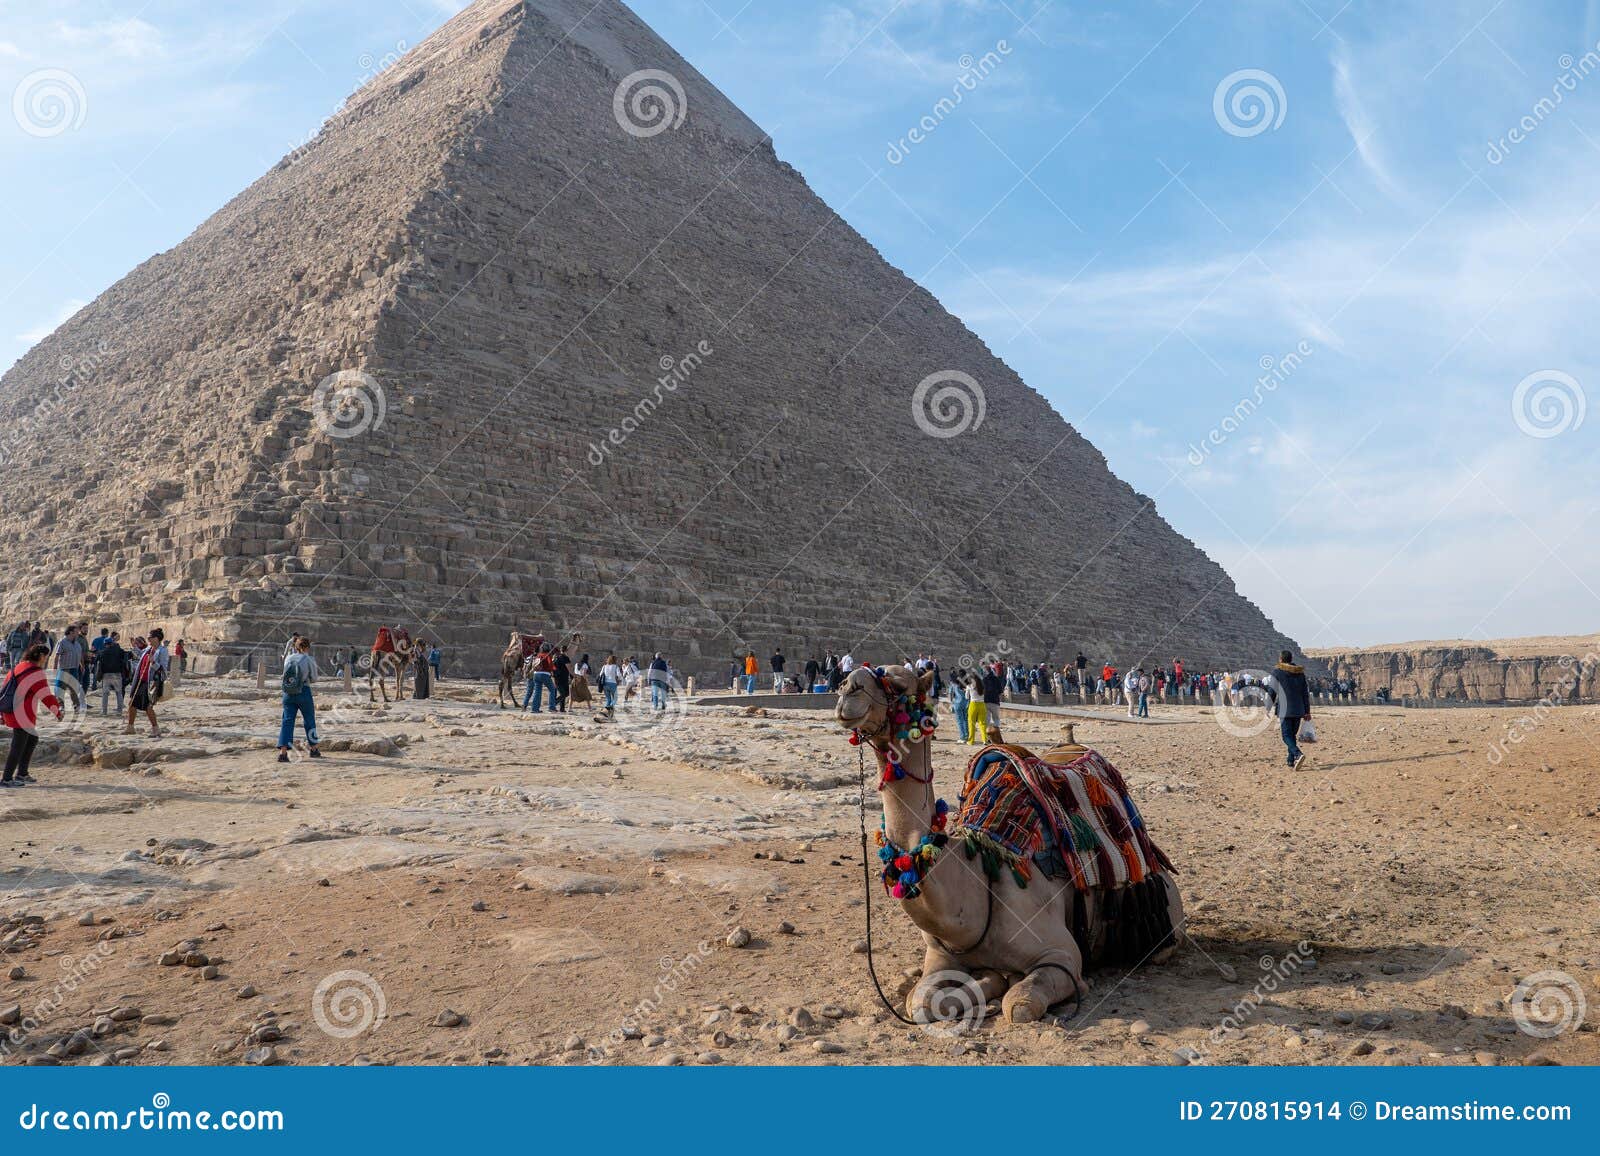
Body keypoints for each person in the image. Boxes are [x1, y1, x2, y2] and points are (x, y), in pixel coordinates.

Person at [0, 645, 62, 787]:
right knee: (18, 745)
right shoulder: (35, 672)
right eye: (46, 657)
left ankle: (22, 773)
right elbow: (45, 695)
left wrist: (3, 713)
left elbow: (5, 690)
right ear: (40, 656)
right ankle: (7, 779)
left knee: (32, 739)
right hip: (22, 714)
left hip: (12, 711)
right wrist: (58, 712)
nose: (46, 660)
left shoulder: (19, 666)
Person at [1264, 650, 1312, 771]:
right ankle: (1290, 760)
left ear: (1280, 659)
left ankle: (1297, 754)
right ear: (1291, 659)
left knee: (1286, 736)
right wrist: (1307, 711)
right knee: (1292, 735)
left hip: (1285, 709)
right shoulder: (1300, 673)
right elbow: (1305, 694)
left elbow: (1272, 691)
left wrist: (1268, 707)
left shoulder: (1277, 672)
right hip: (1299, 708)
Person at [277, 636, 321, 762]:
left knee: (287, 721)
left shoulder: (288, 658)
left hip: (288, 692)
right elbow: (314, 678)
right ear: (307, 647)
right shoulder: (309, 659)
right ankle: (313, 749)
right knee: (309, 720)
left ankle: (283, 753)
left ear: (296, 647)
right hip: (303, 691)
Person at [126, 631, 162, 737]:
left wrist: (153, 662)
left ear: (157, 638)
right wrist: (134, 646)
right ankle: (130, 727)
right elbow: (140, 655)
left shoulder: (162, 651)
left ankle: (156, 729)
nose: (149, 639)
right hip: (139, 679)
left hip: (148, 681)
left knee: (147, 706)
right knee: (132, 703)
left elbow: (163, 668)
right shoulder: (147, 649)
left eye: (151, 637)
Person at [50, 625, 85, 714]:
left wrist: (82, 665)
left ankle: (76, 706)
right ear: (71, 632)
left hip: (74, 668)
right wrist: (54, 668)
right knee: (61, 688)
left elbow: (80, 655)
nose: (78, 634)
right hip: (64, 669)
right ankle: (61, 706)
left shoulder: (77, 644)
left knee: (74, 688)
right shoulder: (62, 642)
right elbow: (57, 655)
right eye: (76, 632)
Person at [96, 632, 128, 715]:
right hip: (117, 674)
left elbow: (96, 661)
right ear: (112, 643)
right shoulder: (119, 651)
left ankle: (104, 711)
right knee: (118, 693)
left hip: (106, 675)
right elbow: (126, 657)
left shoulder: (102, 652)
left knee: (105, 694)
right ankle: (119, 711)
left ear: (105, 644)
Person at [524, 646, 557, 713]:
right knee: (552, 689)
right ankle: (551, 707)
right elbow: (550, 665)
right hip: (545, 674)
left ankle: (535, 709)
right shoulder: (547, 655)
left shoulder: (538, 656)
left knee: (537, 692)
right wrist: (553, 670)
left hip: (535, 675)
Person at [980, 662, 1003, 739]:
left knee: (987, 720)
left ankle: (988, 737)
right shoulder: (996, 679)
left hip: (986, 701)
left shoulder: (984, 680)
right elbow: (1000, 691)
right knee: (996, 719)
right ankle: (996, 736)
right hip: (995, 702)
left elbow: (981, 692)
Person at [949, 669, 971, 743]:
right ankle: (967, 735)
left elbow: (950, 693)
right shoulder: (967, 683)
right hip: (966, 703)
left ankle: (962, 737)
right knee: (965, 720)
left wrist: (951, 703)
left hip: (957, 703)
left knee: (960, 721)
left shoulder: (954, 683)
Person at [553, 645, 572, 712]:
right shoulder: (565, 658)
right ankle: (554, 702)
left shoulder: (556, 657)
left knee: (563, 693)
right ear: (566, 650)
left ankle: (562, 708)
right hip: (563, 678)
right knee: (565, 693)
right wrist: (572, 675)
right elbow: (569, 667)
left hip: (557, 677)